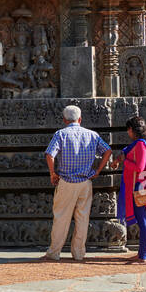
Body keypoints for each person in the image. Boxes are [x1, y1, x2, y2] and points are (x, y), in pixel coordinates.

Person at [39, 104, 112, 262]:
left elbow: (49, 154)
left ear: (64, 120)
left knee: (61, 217)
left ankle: (54, 252)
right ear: (80, 119)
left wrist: (53, 173)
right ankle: (78, 253)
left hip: (66, 181)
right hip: (85, 182)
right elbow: (107, 151)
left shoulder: (61, 134)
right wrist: (98, 170)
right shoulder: (92, 135)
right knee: (82, 218)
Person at [119, 116, 146, 264]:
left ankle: (143, 257)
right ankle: (142, 254)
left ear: (132, 130)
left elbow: (139, 167)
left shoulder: (141, 145)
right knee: (143, 221)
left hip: (141, 187)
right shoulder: (139, 144)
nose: (128, 132)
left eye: (128, 129)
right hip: (141, 185)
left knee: (143, 222)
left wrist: (125, 161)